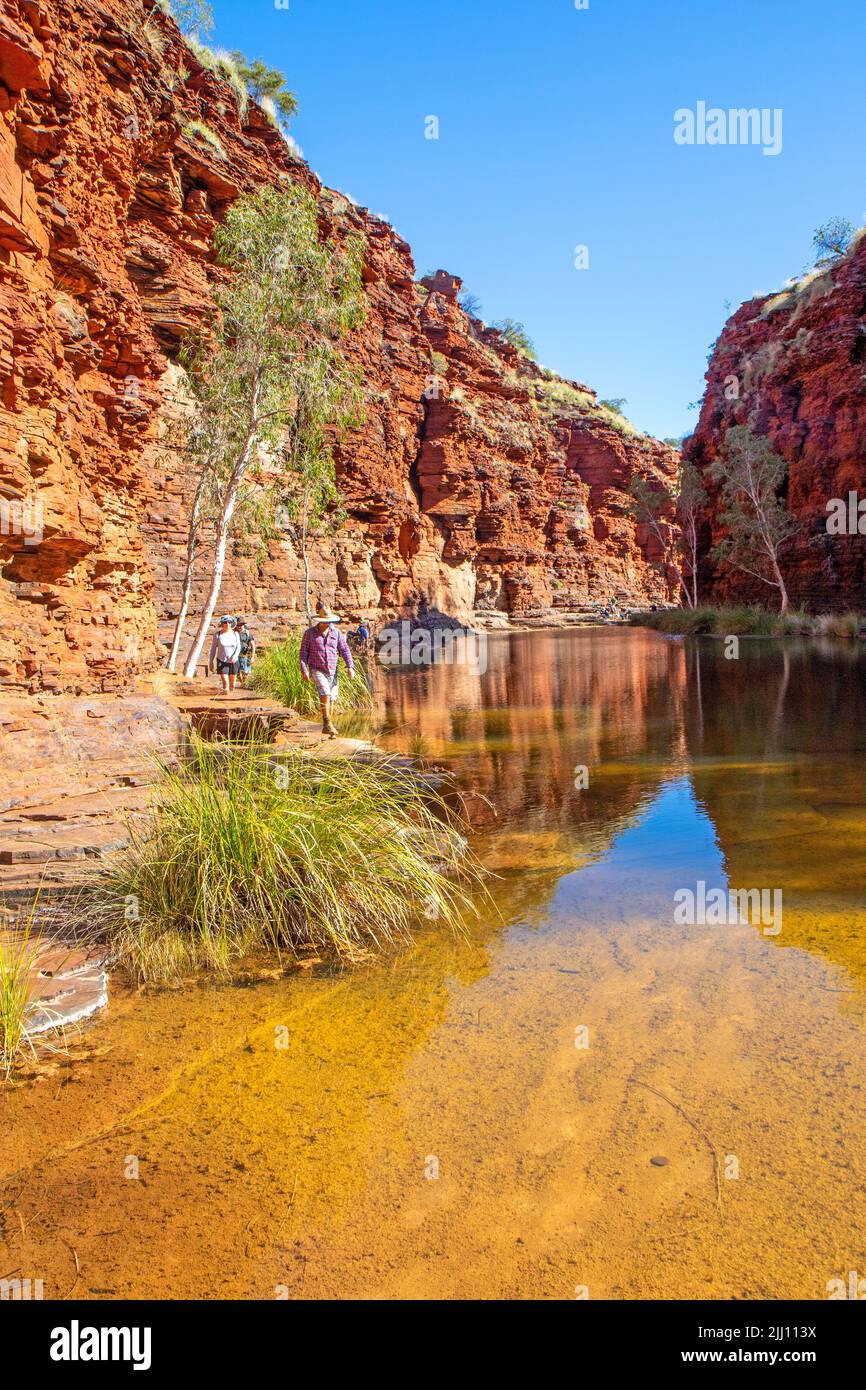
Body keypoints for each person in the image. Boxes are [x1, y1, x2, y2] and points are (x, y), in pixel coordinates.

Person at [299, 601, 355, 738]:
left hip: (332, 670)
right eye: (324, 621)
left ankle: (327, 727)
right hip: (316, 669)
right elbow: (303, 653)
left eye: (328, 621)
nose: (326, 623)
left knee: (331, 697)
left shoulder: (336, 633)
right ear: (319, 620)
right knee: (325, 692)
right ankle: (327, 722)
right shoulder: (310, 633)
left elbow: (344, 650)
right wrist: (304, 670)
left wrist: (350, 666)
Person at [208, 615, 241, 693]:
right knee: (226, 685)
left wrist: (235, 656)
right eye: (225, 623)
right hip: (222, 661)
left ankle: (231, 701)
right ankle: (225, 700)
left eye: (229, 622)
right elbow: (213, 649)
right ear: (222, 624)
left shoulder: (235, 634)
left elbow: (238, 647)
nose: (227, 624)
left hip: (234, 661)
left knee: (232, 685)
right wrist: (211, 661)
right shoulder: (218, 634)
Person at [235, 617, 255, 682]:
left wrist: (252, 656)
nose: (239, 626)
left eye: (241, 625)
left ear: (243, 625)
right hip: (235, 656)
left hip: (245, 655)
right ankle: (242, 683)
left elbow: (252, 645)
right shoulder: (234, 632)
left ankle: (244, 683)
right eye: (238, 625)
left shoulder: (247, 633)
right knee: (237, 672)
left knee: (245, 672)